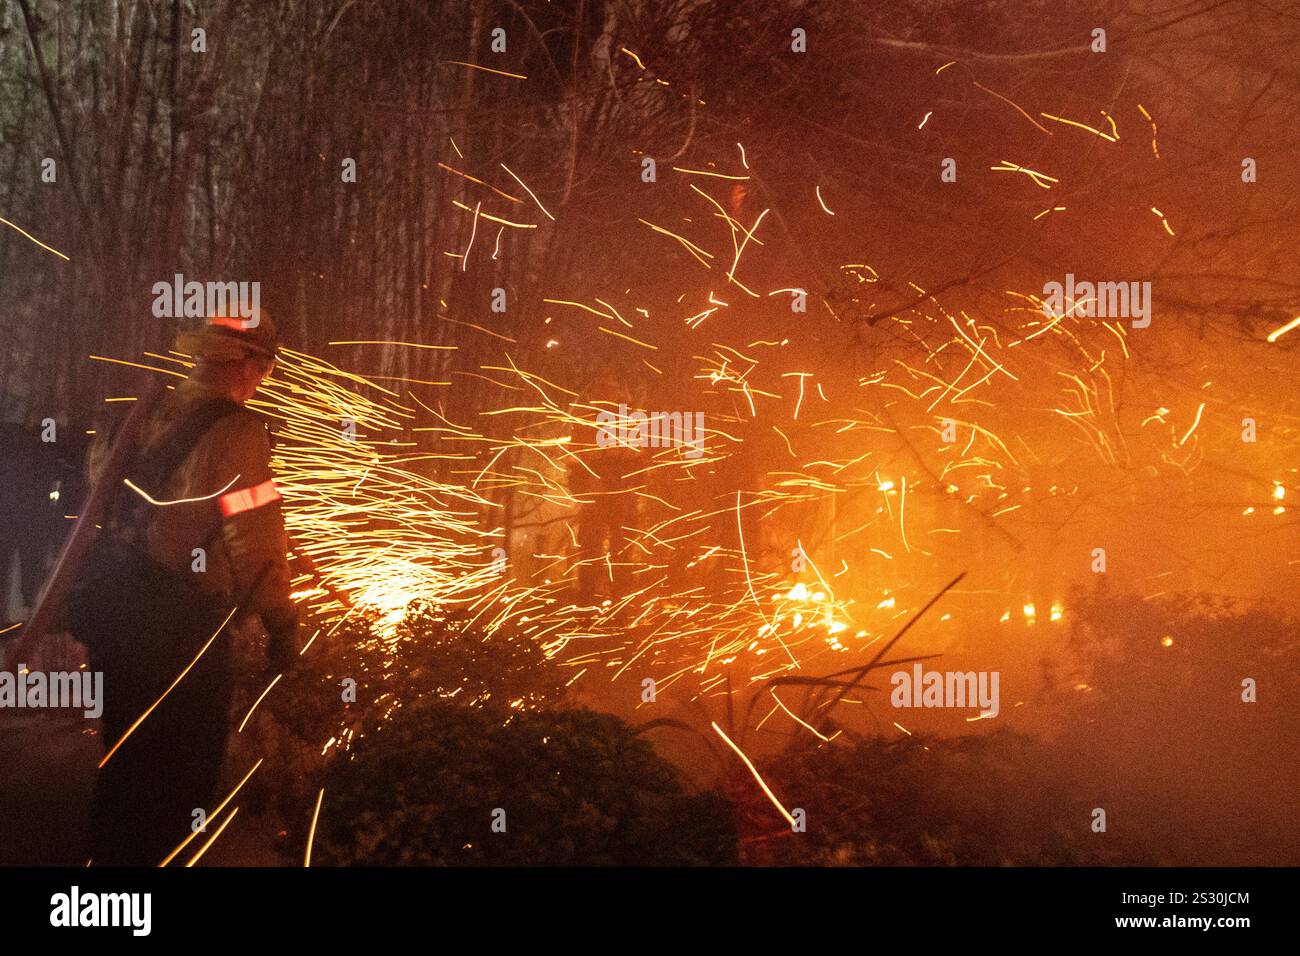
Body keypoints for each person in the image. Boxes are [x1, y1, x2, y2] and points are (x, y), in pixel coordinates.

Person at [80, 310, 298, 866]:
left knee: (125, 750)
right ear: (245, 364)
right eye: (263, 370)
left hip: (112, 607)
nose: (260, 383)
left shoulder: (133, 415)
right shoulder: (239, 432)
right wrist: (280, 621)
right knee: (184, 767)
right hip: (182, 624)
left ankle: (110, 878)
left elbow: (98, 502)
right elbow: (254, 537)